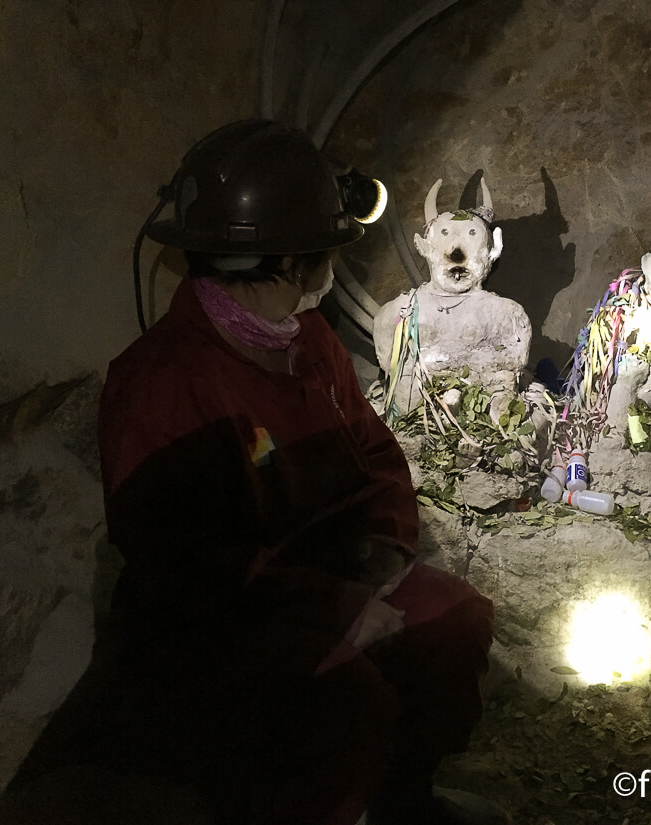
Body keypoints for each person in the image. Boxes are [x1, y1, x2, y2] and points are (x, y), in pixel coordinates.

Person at [96, 120, 507, 825]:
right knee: (349, 700)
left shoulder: (306, 339)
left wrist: (382, 546)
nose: (330, 272)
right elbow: (188, 570)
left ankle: (402, 800)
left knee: (452, 618)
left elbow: (374, 452)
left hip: (332, 577)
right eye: (323, 255)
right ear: (286, 262)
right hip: (222, 626)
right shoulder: (161, 385)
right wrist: (333, 610)